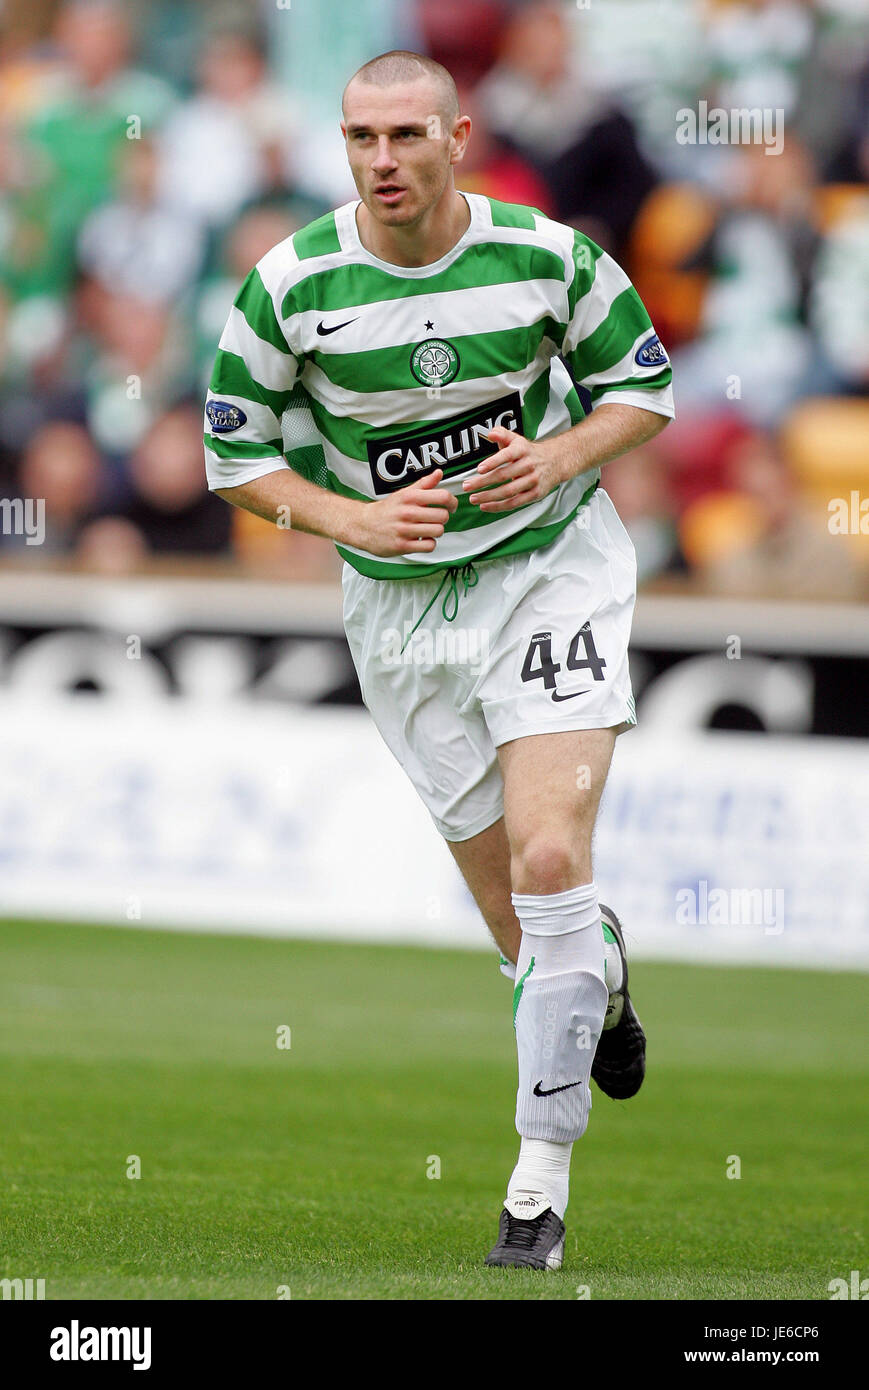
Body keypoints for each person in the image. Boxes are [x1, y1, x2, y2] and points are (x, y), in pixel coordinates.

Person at [204, 51, 674, 1271]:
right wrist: (347, 519)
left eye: (406, 135)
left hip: (550, 568)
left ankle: (536, 1183)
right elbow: (235, 457)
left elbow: (642, 387)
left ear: (457, 136)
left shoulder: (550, 255)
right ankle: (600, 977)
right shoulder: (289, 285)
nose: (382, 160)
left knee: (553, 851)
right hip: (401, 612)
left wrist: (560, 453)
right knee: (525, 927)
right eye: (361, 138)